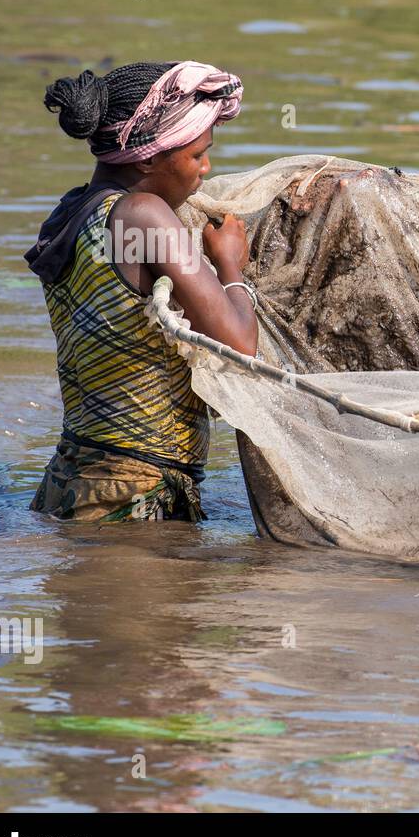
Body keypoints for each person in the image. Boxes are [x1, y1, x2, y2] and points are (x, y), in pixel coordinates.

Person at [26, 60, 258, 522]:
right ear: (148, 157)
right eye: (197, 156)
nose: (205, 170)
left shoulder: (74, 212)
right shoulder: (144, 214)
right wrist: (230, 263)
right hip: (133, 498)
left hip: (73, 483)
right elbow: (240, 344)